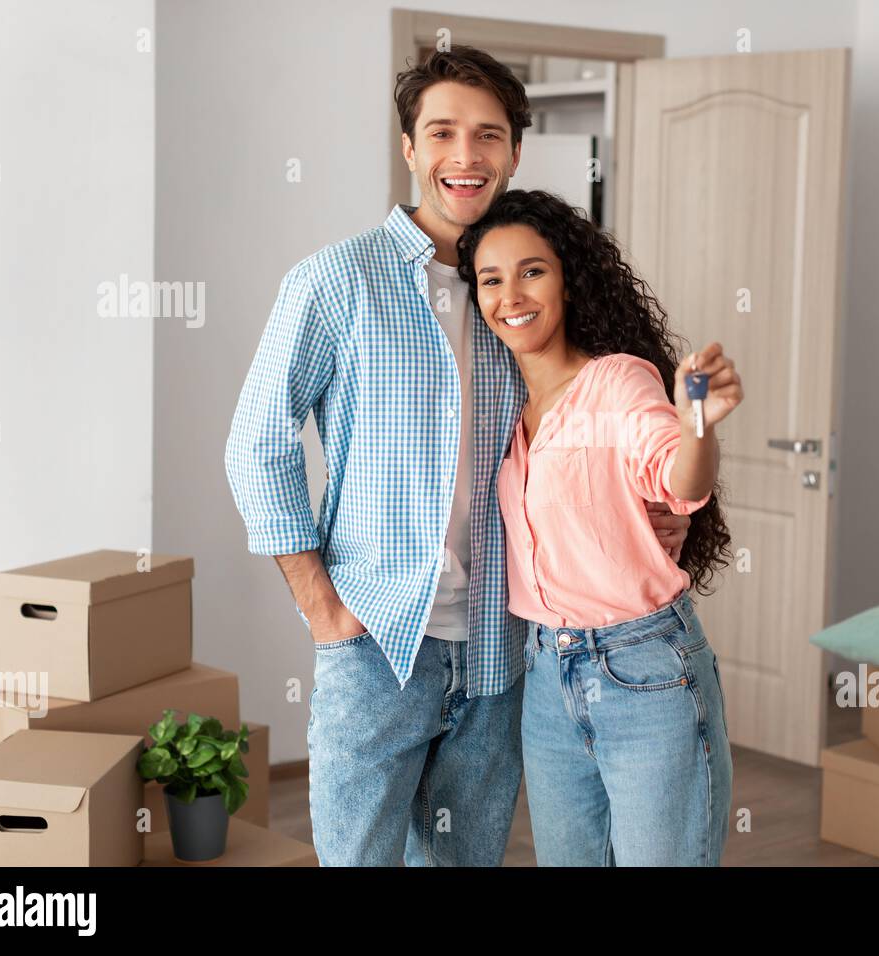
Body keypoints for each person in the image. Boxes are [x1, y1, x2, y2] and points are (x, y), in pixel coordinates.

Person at [223, 47, 690, 866]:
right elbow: (256, 442)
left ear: (514, 151)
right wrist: (320, 607)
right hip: (375, 651)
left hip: (500, 652)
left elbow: (591, 423)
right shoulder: (337, 282)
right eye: (442, 133)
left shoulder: (515, 295)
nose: (465, 157)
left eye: (488, 136)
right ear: (410, 149)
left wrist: (654, 517)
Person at [457, 189, 743, 866]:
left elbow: (679, 480)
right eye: (490, 280)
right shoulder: (501, 402)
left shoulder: (616, 383)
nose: (510, 295)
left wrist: (697, 419)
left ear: (568, 278)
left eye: (531, 271)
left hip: (643, 670)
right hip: (546, 675)